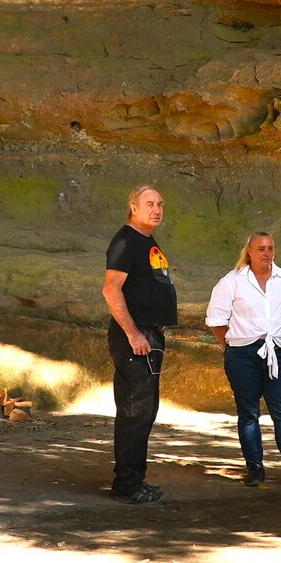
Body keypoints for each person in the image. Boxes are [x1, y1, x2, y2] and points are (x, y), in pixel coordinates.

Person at [206, 231, 281, 490]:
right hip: (242, 353)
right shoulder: (233, 281)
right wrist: (231, 346)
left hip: (276, 353)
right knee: (248, 413)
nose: (267, 253)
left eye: (270, 248)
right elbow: (216, 320)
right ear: (249, 251)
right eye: (260, 249)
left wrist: (277, 340)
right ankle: (255, 467)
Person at [102, 184, 177, 504]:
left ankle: (134, 480)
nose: (157, 209)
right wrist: (134, 334)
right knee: (136, 410)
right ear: (133, 208)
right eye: (149, 204)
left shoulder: (146, 240)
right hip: (134, 336)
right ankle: (127, 485)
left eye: (160, 203)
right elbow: (111, 289)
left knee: (144, 411)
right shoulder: (125, 240)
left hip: (148, 334)